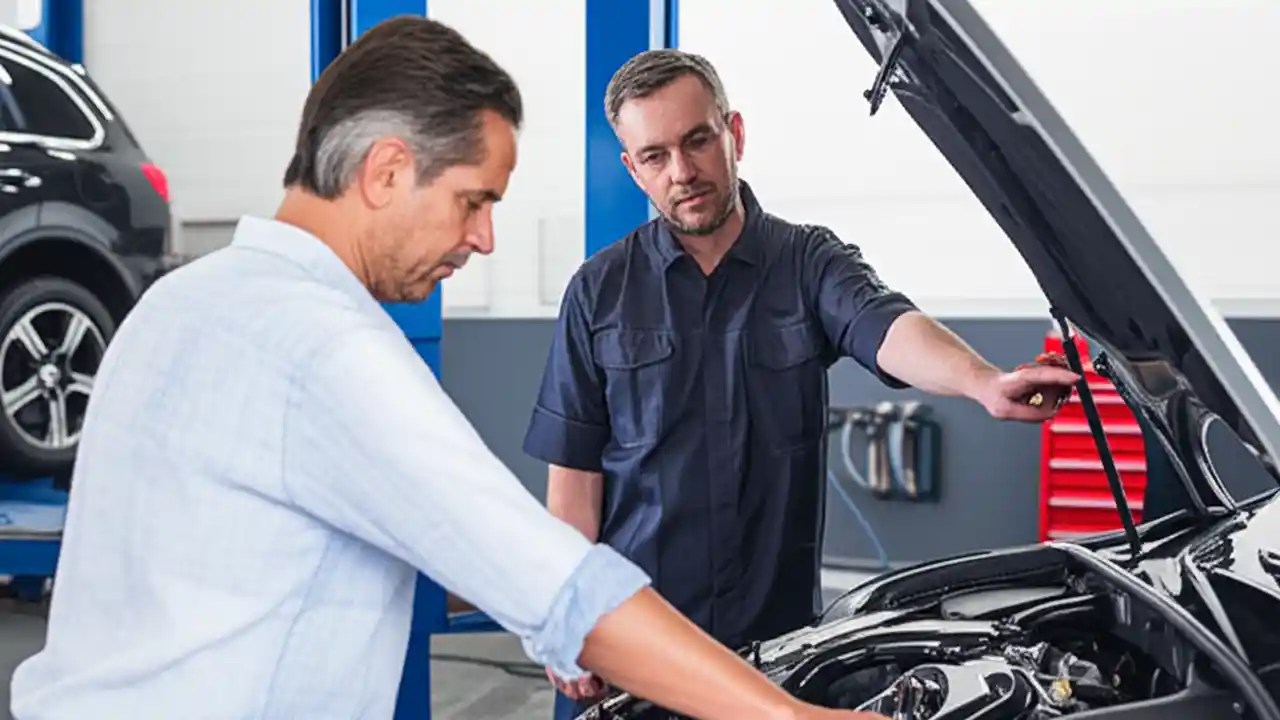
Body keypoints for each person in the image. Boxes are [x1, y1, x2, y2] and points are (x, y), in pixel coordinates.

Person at [8, 19, 888, 720]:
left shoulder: (175, 306)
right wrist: (790, 718)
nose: (484, 238)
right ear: (389, 169)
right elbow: (559, 586)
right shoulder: (326, 349)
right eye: (474, 201)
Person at [522, 49, 1079, 718]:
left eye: (698, 140)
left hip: (777, 659)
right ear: (632, 167)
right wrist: (566, 624)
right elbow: (573, 492)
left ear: (735, 134)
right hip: (634, 655)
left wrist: (982, 382)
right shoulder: (597, 292)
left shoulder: (806, 262)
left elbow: (886, 325)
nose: (682, 171)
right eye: (655, 155)